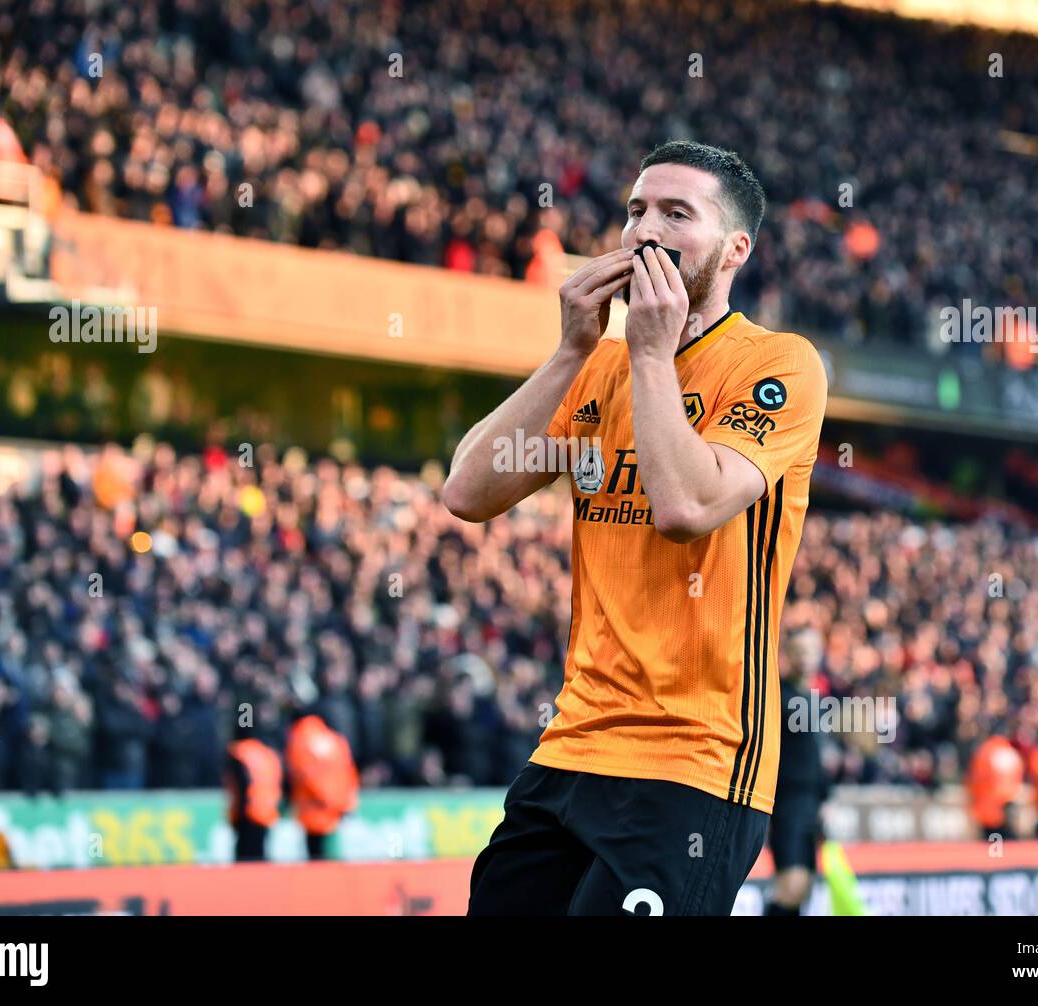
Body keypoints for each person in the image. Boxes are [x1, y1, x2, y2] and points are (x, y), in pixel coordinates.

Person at [447, 140, 828, 915]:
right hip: (572, 745)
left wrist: (653, 352)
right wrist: (569, 351)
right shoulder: (598, 368)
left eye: (676, 213)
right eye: (635, 211)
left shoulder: (778, 365)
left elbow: (687, 507)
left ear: (734, 250)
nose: (643, 231)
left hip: (695, 760)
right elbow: (467, 491)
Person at [765, 630, 830, 917]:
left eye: (812, 651)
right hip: (787, 803)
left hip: (810, 804)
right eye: (800, 651)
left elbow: (814, 756)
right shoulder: (777, 695)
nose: (806, 658)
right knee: (790, 883)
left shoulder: (812, 698)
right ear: (788, 655)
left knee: (804, 886)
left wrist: (825, 798)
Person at [285, 709, 360, 860]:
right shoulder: (335, 739)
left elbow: (303, 773)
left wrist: (322, 797)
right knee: (332, 857)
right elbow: (348, 771)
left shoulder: (300, 738)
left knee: (315, 856)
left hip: (313, 806)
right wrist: (342, 802)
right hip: (337, 807)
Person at [224, 722, 283, 863]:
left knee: (244, 859)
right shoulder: (266, 753)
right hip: (266, 811)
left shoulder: (239, 753)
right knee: (260, 857)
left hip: (247, 814)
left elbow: (242, 786)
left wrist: (238, 815)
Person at [966, 735, 1024, 840]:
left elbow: (976, 779)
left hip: (990, 808)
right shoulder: (1010, 752)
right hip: (1007, 804)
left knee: (992, 848)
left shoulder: (985, 751)